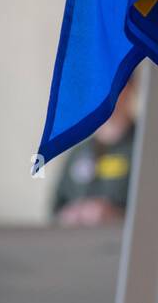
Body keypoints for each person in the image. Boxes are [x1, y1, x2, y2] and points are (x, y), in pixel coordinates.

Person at [51, 76, 137, 228]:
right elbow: (54, 212)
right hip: (81, 247)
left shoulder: (146, 150)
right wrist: (70, 215)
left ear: (130, 89)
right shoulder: (78, 151)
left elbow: (157, 212)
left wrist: (116, 216)